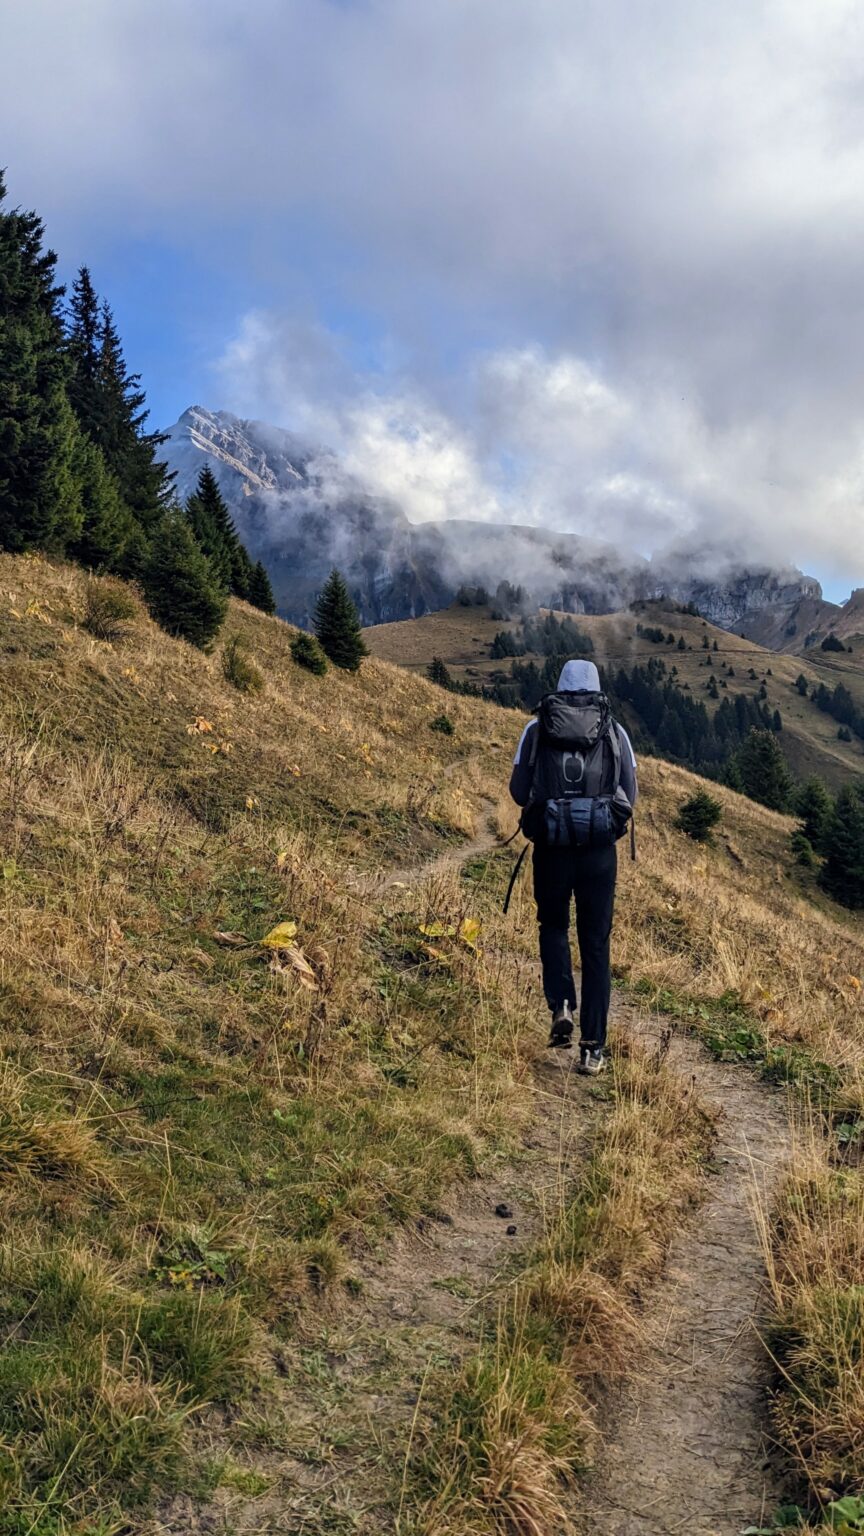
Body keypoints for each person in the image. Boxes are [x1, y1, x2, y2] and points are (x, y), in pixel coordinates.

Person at [509, 658, 638, 1073]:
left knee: (553, 926)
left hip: (551, 846)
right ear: (597, 689)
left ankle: (562, 1003)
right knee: (596, 944)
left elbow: (517, 791)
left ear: (560, 687)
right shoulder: (615, 731)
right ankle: (593, 1047)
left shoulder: (537, 728)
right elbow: (629, 797)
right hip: (599, 852)